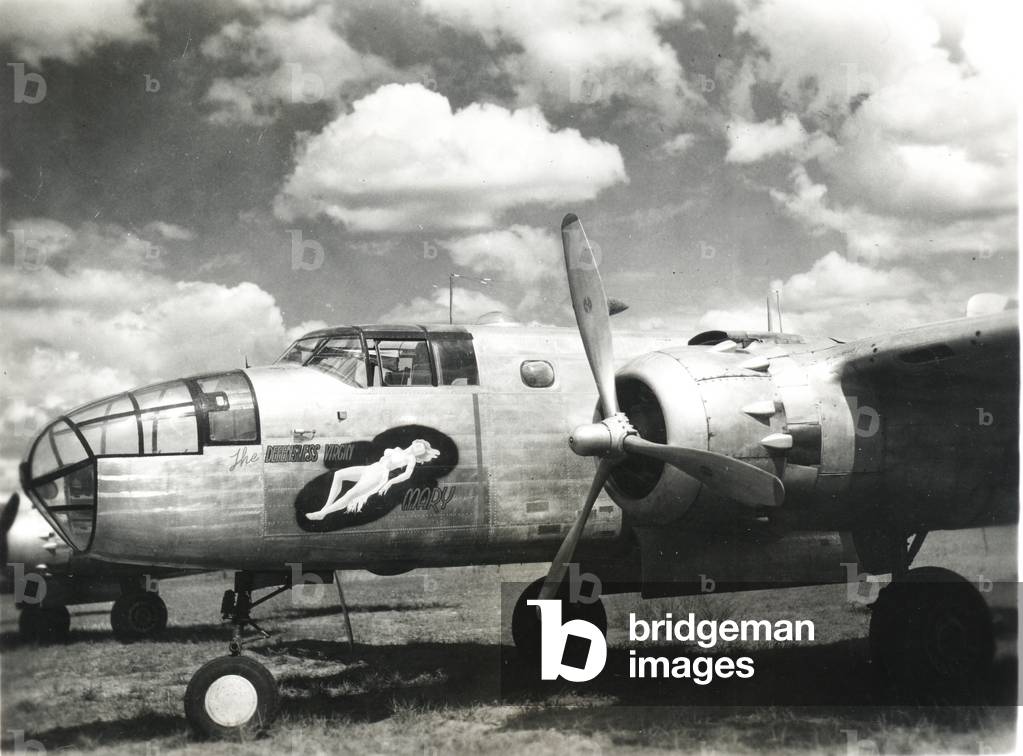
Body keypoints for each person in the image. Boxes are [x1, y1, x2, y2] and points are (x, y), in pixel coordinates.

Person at [305, 439, 440, 520]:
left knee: (351, 494)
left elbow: (406, 475)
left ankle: (322, 513)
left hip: (379, 473)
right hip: (373, 468)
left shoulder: (410, 459)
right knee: (339, 474)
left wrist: (390, 482)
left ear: (418, 455)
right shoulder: (399, 449)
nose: (416, 449)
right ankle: (325, 509)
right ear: (414, 442)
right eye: (418, 445)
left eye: (419, 451)